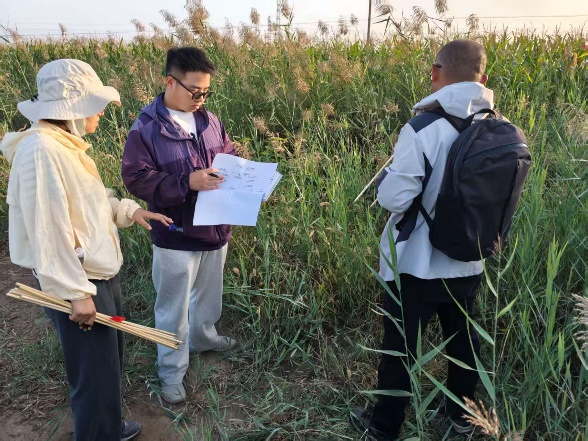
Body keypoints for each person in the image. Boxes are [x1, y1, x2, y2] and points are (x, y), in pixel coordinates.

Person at [0, 59, 173, 441]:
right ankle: (98, 434)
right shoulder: (42, 150)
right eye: (94, 104)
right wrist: (76, 293)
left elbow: (86, 203)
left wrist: (128, 210)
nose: (101, 112)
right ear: (72, 109)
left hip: (95, 272)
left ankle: (109, 427)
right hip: (79, 279)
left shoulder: (64, 146)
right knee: (92, 372)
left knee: (107, 362)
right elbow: (48, 228)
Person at [350, 40, 492, 440]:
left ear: (435, 73)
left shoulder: (421, 128)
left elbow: (395, 199)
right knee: (462, 342)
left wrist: (386, 183)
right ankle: (464, 419)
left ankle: (384, 428)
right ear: (483, 78)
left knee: (400, 347)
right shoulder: (497, 127)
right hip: (470, 258)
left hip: (417, 263)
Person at [121, 46, 238, 404]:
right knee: (172, 308)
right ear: (170, 82)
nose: (201, 99)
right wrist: (187, 182)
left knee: (208, 295)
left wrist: (243, 176)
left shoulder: (209, 120)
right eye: (195, 91)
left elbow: (228, 153)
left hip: (215, 228)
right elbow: (136, 178)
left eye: (206, 92)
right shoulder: (147, 127)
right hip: (175, 233)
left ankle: (204, 338)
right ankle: (171, 371)